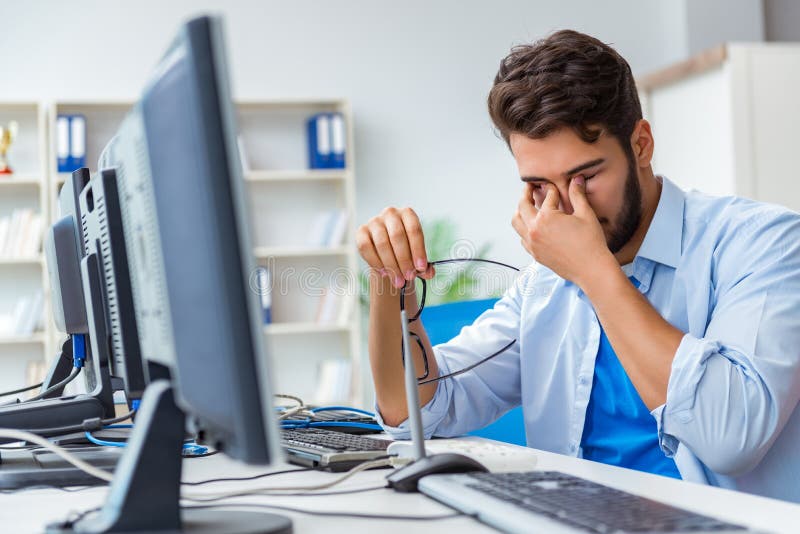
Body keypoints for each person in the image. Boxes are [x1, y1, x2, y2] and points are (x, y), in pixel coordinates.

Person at [356, 29, 800, 503]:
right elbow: (414, 411)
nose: (566, 207)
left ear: (641, 144)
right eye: (538, 186)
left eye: (585, 176)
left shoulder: (765, 243)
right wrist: (389, 279)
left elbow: (731, 438)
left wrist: (593, 271)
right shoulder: (545, 284)